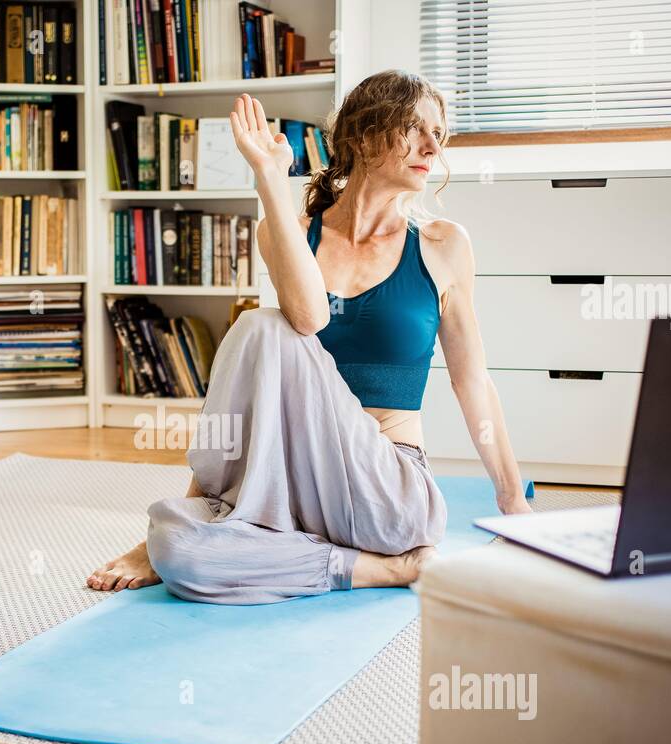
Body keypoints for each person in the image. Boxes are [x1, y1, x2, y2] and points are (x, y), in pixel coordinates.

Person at [87, 70, 531, 604]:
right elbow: (308, 314)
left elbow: (472, 381)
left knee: (261, 325)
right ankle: (378, 570)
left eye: (439, 133)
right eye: (415, 129)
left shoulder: (442, 245)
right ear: (364, 137)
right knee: (179, 550)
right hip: (290, 485)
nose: (433, 147)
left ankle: (351, 549)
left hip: (383, 492)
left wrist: (513, 502)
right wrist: (271, 182)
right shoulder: (291, 232)